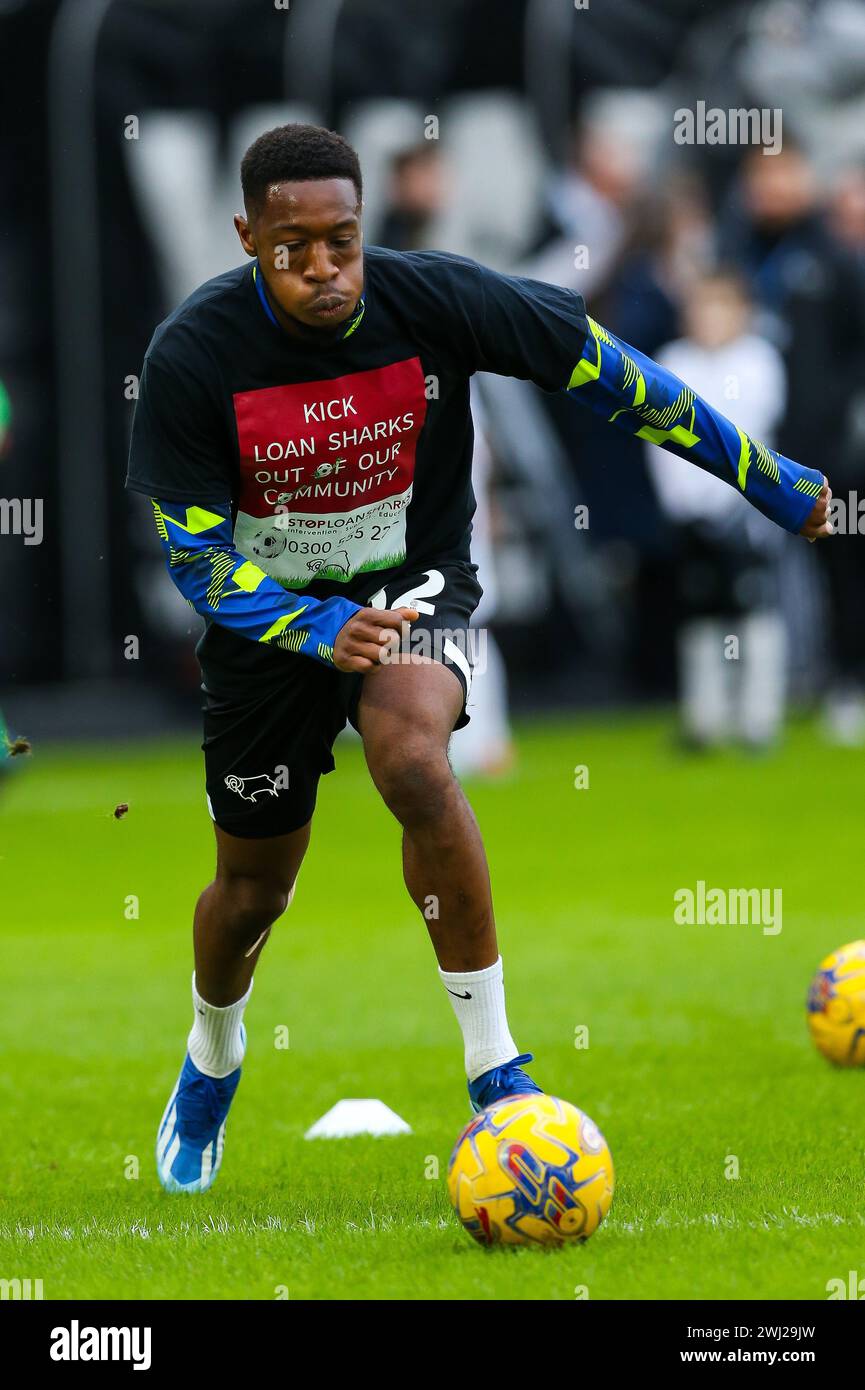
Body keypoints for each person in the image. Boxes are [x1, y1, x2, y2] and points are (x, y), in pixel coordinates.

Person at [126, 124, 830, 1194]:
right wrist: (313, 629)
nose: (323, 268)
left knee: (413, 759)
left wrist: (764, 477)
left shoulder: (438, 298)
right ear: (246, 237)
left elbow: (611, 374)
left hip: (411, 587)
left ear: (363, 226)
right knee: (253, 891)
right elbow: (195, 557)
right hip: (268, 627)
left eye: (342, 240)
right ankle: (214, 1051)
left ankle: (494, 1065)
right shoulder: (192, 354)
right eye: (291, 248)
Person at [645, 270, 789, 749]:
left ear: (743, 312)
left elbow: (752, 432)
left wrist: (734, 502)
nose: (708, 317)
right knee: (699, 611)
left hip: (745, 511)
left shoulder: (758, 361)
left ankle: (758, 718)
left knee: (754, 607)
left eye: (720, 306)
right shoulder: (673, 361)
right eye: (700, 306)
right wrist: (681, 504)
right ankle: (705, 719)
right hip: (690, 516)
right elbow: (660, 441)